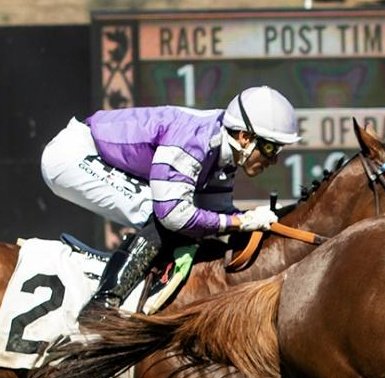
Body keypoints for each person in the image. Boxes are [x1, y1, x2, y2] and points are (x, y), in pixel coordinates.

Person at [40, 85, 303, 318]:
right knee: (161, 214)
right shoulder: (194, 141)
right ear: (245, 137)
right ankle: (103, 306)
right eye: (270, 148)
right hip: (72, 156)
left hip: (95, 153)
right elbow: (173, 215)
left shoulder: (225, 150)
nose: (274, 160)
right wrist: (241, 221)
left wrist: (253, 220)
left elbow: (216, 211)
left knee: (179, 218)